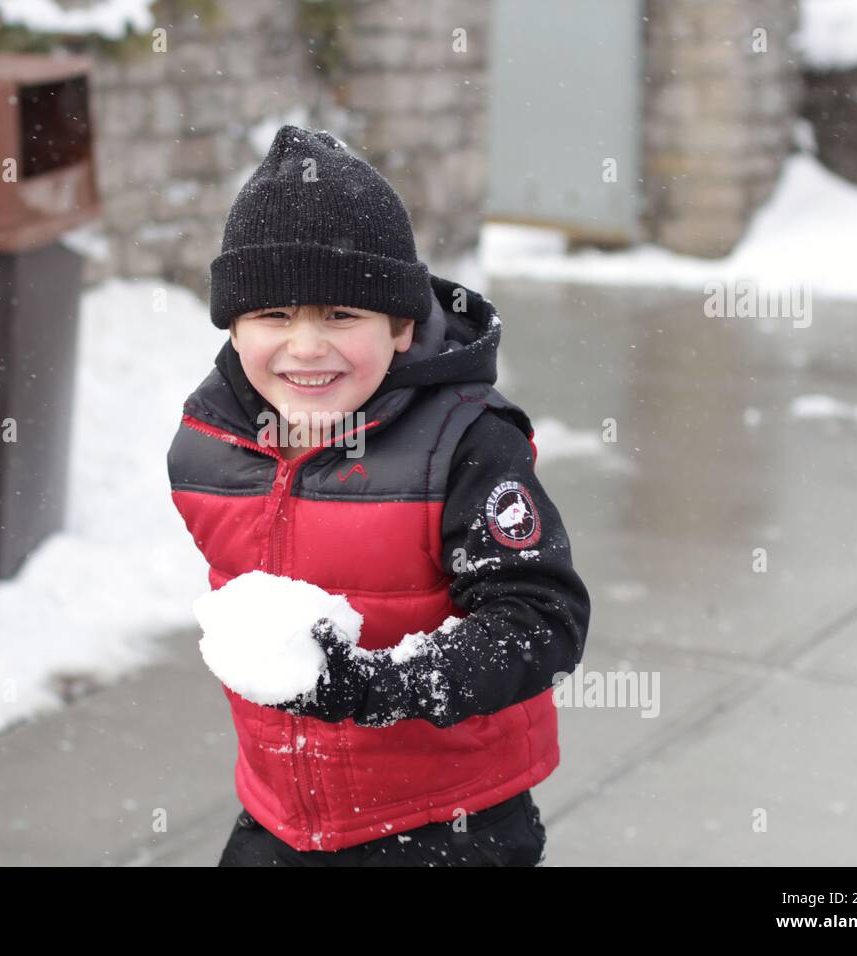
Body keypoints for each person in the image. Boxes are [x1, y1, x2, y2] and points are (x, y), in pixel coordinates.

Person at [166, 125, 591, 866]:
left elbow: (540, 623)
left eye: (339, 315)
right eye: (273, 315)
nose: (304, 346)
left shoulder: (465, 445)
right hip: (280, 815)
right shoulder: (209, 447)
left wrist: (377, 685)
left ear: (401, 325)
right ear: (233, 326)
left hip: (449, 821)